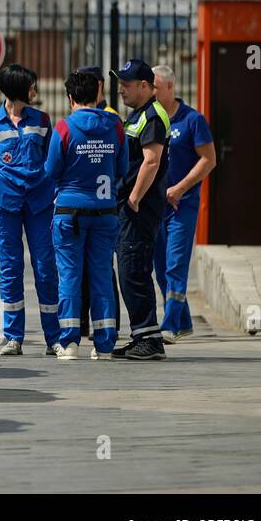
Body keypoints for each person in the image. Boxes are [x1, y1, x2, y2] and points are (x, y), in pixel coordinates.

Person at [0, 64, 59, 356]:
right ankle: (13, 337)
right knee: (10, 269)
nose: (35, 91)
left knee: (45, 269)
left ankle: (54, 337)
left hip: (40, 203)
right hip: (4, 205)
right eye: (31, 86)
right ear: (19, 89)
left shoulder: (42, 120)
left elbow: (52, 158)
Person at [45, 70, 129, 360]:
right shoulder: (115, 125)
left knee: (69, 276)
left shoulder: (64, 128)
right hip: (106, 212)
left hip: (70, 213)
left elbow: (51, 170)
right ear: (97, 94)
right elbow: (122, 169)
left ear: (70, 98)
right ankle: (104, 345)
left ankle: (69, 343)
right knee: (102, 276)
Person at [151, 65, 217, 343]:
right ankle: (185, 319)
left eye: (153, 87)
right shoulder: (151, 119)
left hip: (182, 206)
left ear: (169, 87)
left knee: (175, 266)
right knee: (160, 269)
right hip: (156, 207)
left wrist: (179, 188)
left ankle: (170, 324)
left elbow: (208, 160)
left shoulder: (192, 120)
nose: (150, 92)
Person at [111, 57, 171, 360]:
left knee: (134, 268)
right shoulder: (139, 114)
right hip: (133, 204)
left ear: (145, 86)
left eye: (127, 84)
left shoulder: (153, 116)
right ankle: (141, 335)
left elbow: (151, 160)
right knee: (128, 268)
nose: (121, 89)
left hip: (140, 207)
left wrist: (133, 198)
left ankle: (150, 338)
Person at [72, 64, 121, 338]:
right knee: (82, 271)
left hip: (99, 204)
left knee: (103, 270)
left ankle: (107, 324)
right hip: (88, 204)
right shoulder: (79, 115)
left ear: (98, 85)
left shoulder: (110, 118)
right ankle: (81, 323)